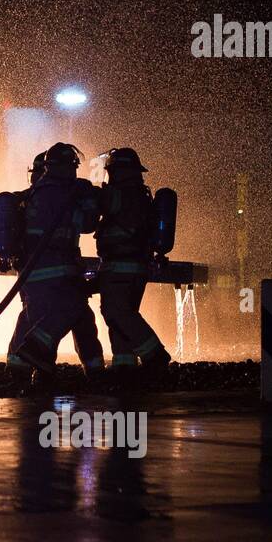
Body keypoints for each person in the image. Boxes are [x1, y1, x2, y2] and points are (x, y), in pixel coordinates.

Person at [8, 152, 105, 378]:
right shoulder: (64, 195)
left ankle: (23, 368)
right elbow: (87, 225)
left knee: (37, 317)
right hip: (57, 269)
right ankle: (91, 371)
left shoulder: (27, 197)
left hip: (31, 273)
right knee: (72, 311)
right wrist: (90, 197)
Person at [95, 147, 170, 373]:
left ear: (120, 171)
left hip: (121, 266)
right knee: (121, 314)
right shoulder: (140, 195)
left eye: (112, 170)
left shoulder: (121, 194)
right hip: (134, 266)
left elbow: (97, 205)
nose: (110, 175)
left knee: (117, 313)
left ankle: (155, 355)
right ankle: (124, 365)